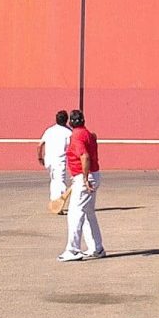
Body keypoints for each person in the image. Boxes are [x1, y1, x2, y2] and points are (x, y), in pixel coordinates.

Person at [57, 109, 104, 261]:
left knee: (75, 213)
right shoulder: (87, 133)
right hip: (91, 175)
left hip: (85, 177)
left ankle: (73, 250)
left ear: (71, 122)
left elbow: (84, 156)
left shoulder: (77, 136)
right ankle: (97, 248)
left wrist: (84, 179)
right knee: (88, 213)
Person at [36, 110, 72, 211]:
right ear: (66, 120)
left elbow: (39, 145)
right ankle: (58, 204)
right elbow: (73, 146)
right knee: (60, 182)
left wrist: (40, 157)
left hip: (49, 160)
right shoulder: (68, 132)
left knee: (54, 181)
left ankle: (53, 201)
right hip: (59, 161)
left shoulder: (49, 130)